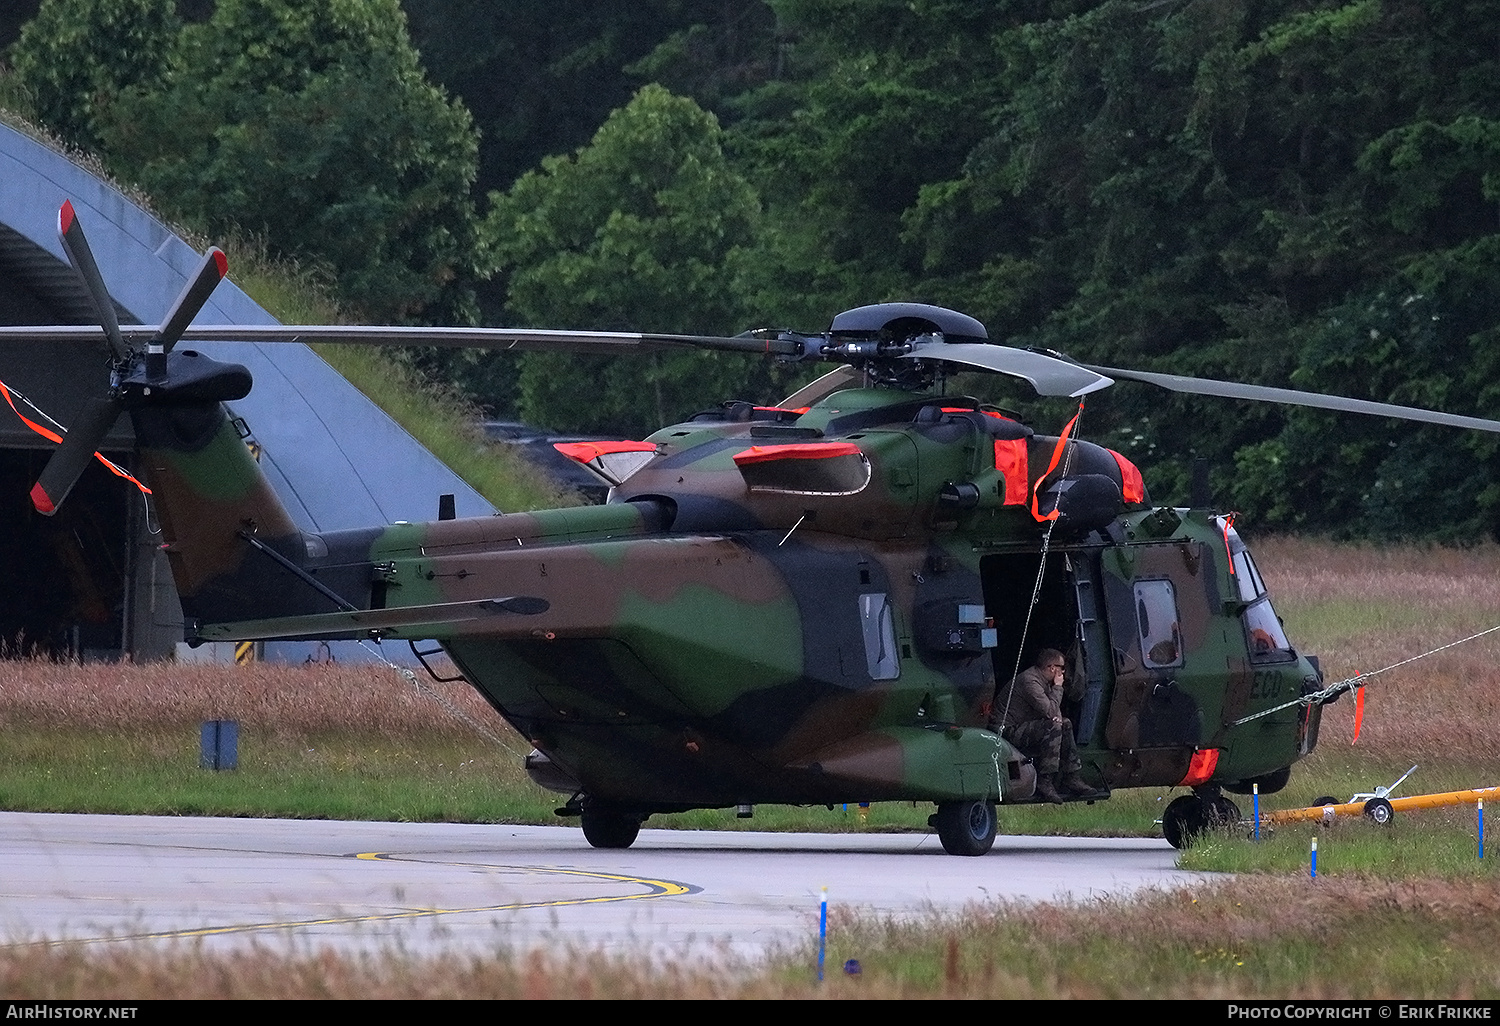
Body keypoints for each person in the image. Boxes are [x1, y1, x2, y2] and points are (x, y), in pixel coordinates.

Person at [993, 648, 1094, 804]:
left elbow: (1054, 713)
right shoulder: (1030, 681)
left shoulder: (1042, 682)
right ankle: (1045, 781)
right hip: (1006, 730)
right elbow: (1050, 710)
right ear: (1052, 668)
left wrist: (1059, 719)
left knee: (1065, 724)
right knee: (1052, 727)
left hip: (1022, 725)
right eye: (1061, 668)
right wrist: (1058, 687)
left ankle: (1072, 776)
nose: (1063, 672)